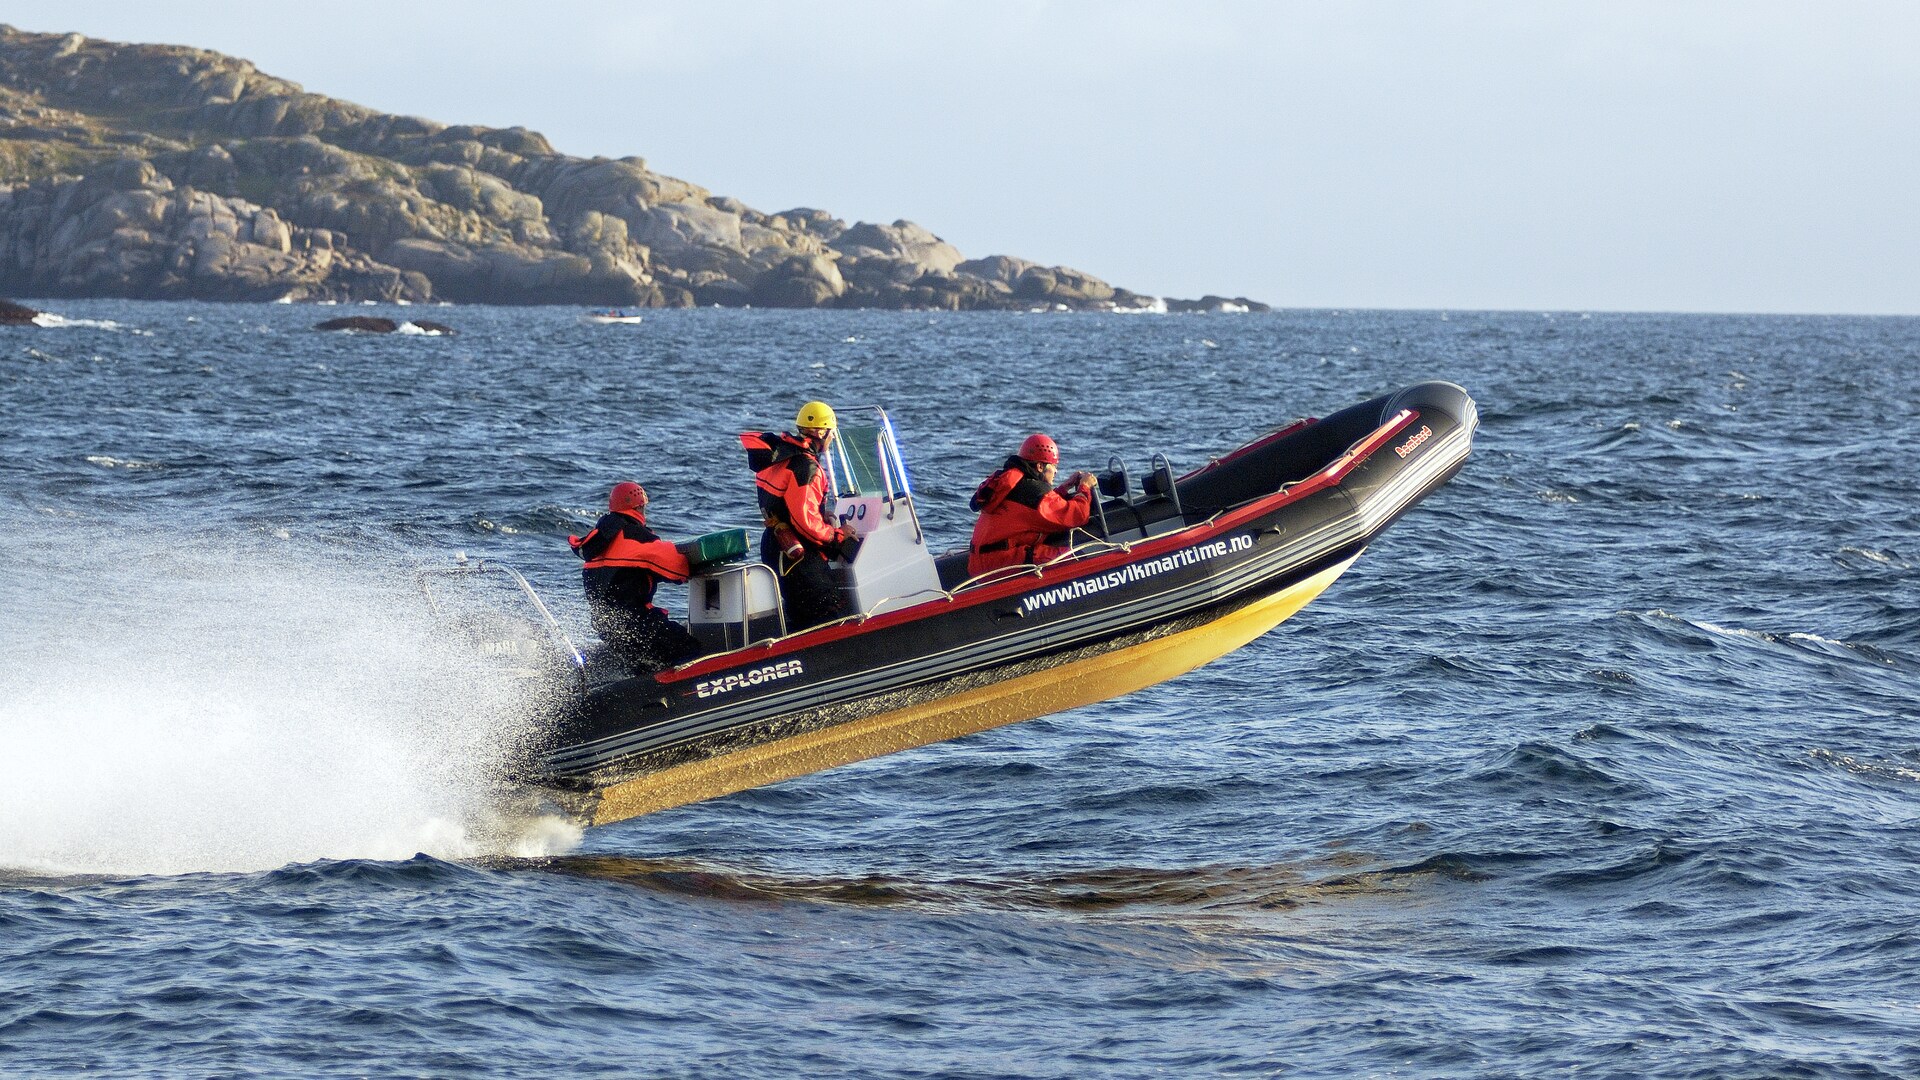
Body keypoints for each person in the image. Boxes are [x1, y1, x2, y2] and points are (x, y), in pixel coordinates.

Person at [740, 401, 855, 631]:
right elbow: (805, 522)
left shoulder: (780, 457)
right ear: (821, 432)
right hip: (797, 557)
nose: (832, 438)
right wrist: (838, 535)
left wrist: (823, 514)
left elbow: (785, 504)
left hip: (775, 546)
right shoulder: (806, 466)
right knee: (829, 615)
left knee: (800, 615)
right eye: (831, 432)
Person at [568, 481, 703, 674]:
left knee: (644, 662)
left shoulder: (597, 541)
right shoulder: (635, 535)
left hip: (606, 625)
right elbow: (678, 569)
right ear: (639, 506)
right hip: (635, 623)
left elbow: (625, 572)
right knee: (689, 648)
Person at [967, 433, 1096, 576]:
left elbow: (1035, 509)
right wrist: (1084, 487)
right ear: (1040, 466)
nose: (1056, 471)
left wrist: (1064, 488)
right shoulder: (1034, 493)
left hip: (980, 563)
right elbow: (1077, 515)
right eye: (1053, 466)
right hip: (1001, 562)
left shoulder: (1014, 483)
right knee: (1076, 557)